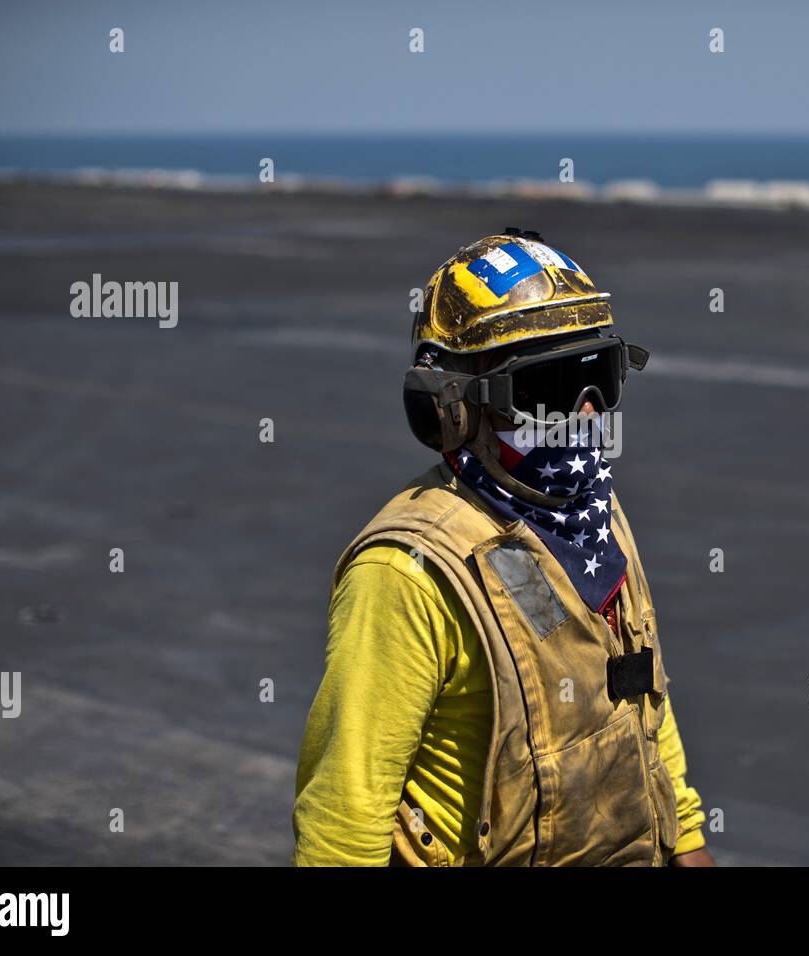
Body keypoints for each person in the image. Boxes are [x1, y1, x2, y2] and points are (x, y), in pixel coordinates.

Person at [292, 228, 713, 866]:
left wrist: (687, 837)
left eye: (598, 377)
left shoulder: (592, 520)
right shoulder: (408, 573)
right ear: (453, 409)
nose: (584, 413)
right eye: (549, 389)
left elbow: (638, 691)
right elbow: (345, 817)